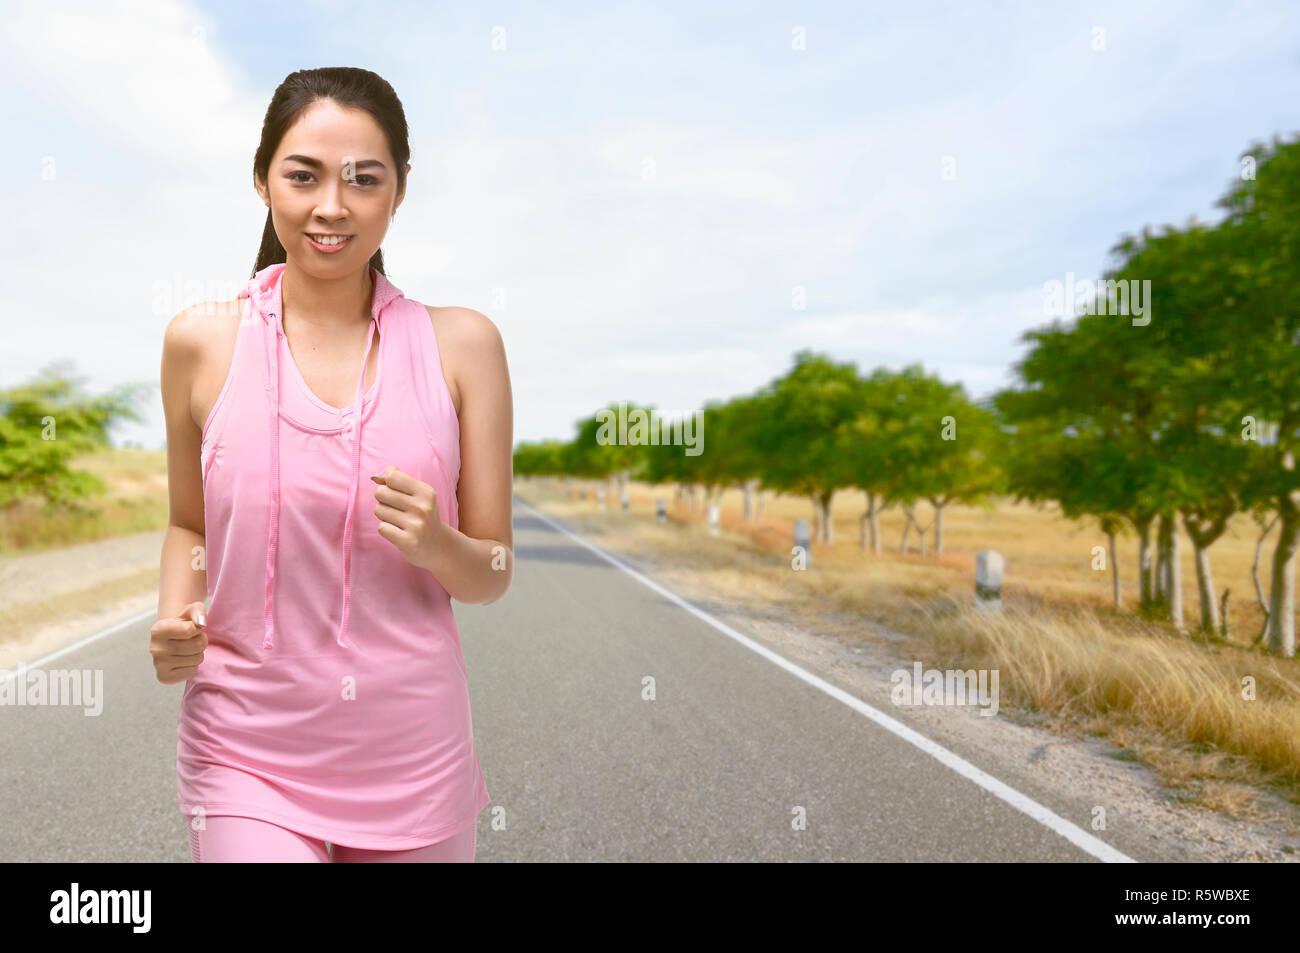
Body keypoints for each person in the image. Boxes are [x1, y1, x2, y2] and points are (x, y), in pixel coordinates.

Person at [152, 67, 514, 862]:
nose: (331, 206)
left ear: (400, 188)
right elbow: (189, 521)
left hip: (414, 761)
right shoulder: (200, 341)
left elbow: (491, 569)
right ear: (262, 180)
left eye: (363, 178)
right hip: (244, 750)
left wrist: (439, 546)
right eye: (303, 174)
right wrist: (177, 616)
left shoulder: (464, 347)